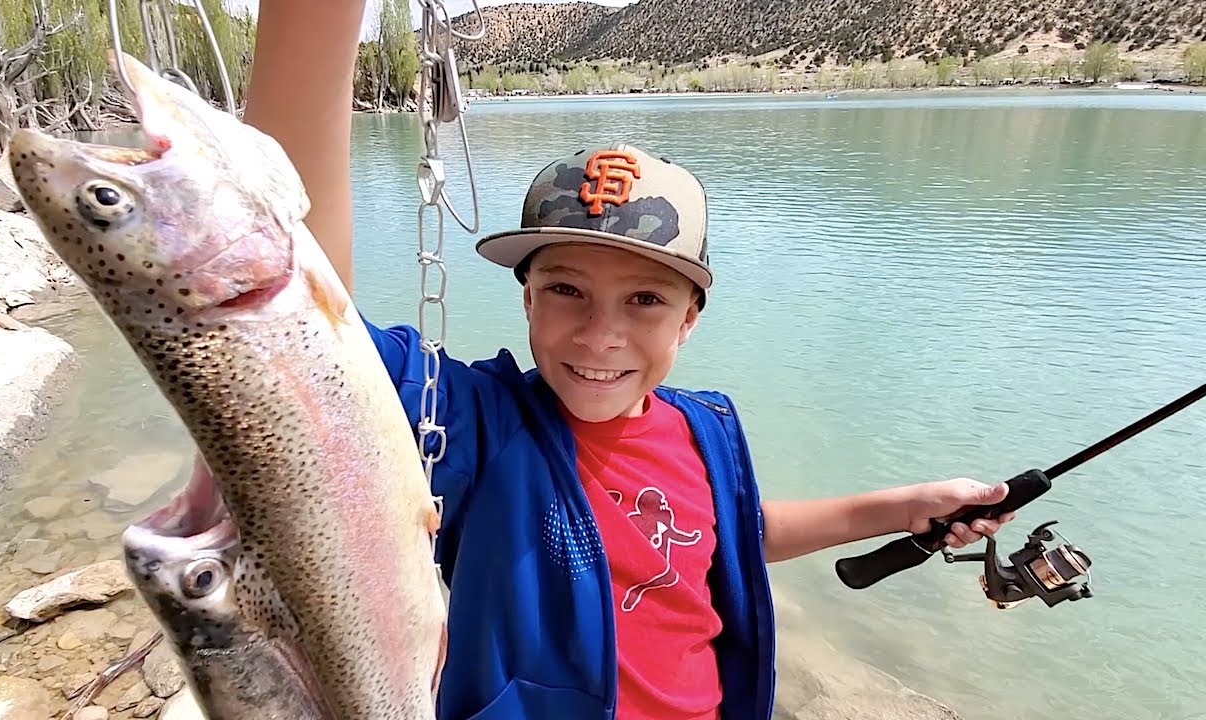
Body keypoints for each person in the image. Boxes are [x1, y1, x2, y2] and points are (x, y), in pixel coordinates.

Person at [242, 2, 1016, 719]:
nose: (600, 335)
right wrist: (317, 21)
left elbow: (728, 535)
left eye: (645, 300)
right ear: (526, 300)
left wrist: (904, 506)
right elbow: (303, 332)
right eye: (566, 290)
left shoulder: (705, 429)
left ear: (690, 320)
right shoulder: (481, 426)